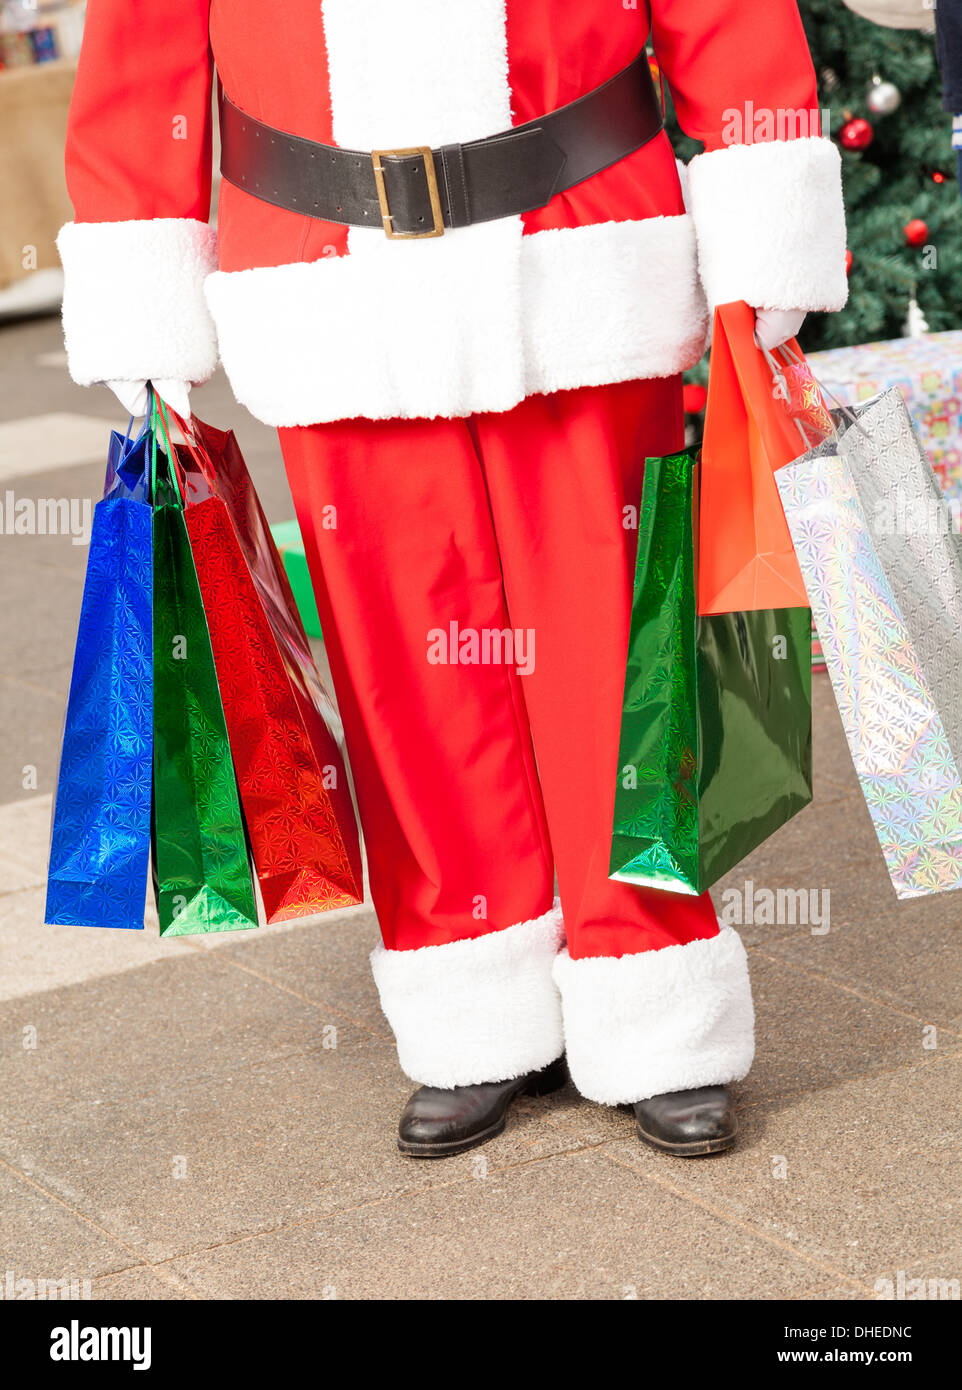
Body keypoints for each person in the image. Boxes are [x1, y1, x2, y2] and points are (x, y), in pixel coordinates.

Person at [57, 0, 847, 1158]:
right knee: (403, 668)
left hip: (577, 247)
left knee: (608, 652)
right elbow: (145, 45)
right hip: (329, 272)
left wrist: (756, 181)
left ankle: (650, 984)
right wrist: (138, 264)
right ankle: (472, 998)